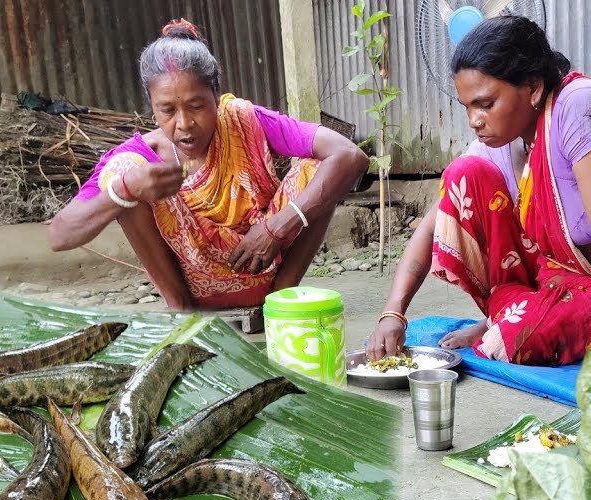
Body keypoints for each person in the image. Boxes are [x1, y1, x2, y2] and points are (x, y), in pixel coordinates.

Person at [366, 16, 591, 367]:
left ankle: (507, 320)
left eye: (485, 104)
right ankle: (503, 317)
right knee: (462, 175)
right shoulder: (499, 141)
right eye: (467, 107)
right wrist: (393, 314)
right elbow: (431, 226)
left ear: (533, 88)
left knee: (521, 335)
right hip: (552, 284)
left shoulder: (575, 107)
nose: (474, 120)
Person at [49, 19, 368, 310]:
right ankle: (181, 310)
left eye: (196, 106)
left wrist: (276, 227)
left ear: (216, 96)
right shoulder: (140, 156)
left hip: (268, 267)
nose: (184, 123)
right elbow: (59, 236)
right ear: (152, 106)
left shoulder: (244, 121)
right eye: (167, 110)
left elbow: (350, 155)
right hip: (195, 293)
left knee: (322, 169)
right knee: (124, 178)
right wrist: (124, 190)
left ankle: (280, 299)